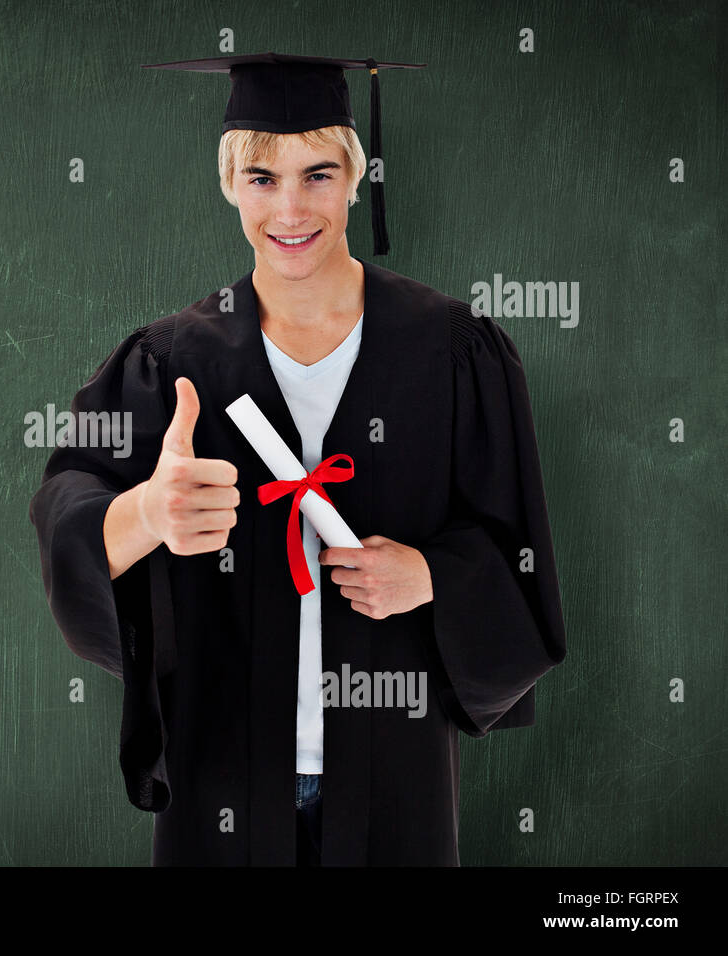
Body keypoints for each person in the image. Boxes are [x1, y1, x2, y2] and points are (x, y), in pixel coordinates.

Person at [28, 52, 566, 866]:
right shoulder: (170, 361)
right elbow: (67, 506)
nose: (289, 207)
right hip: (223, 779)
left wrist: (431, 578)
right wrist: (146, 511)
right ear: (227, 184)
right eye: (260, 178)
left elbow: (519, 561)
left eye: (318, 175)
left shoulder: (450, 351)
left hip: (397, 778)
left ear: (356, 176)